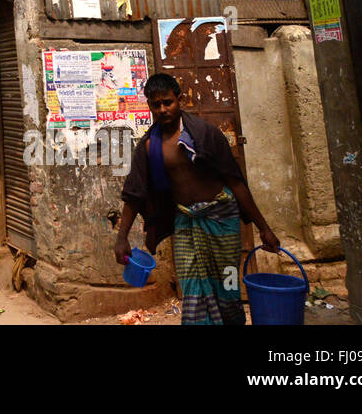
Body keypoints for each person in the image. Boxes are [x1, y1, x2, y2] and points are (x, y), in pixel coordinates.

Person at [115, 72, 280, 325]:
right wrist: (121, 237)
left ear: (179, 100)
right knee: (192, 289)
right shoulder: (148, 147)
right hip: (186, 222)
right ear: (149, 106)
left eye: (168, 102)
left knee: (228, 283)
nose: (163, 109)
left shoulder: (205, 135)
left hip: (223, 220)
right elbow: (134, 194)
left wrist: (264, 228)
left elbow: (236, 181)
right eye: (156, 105)